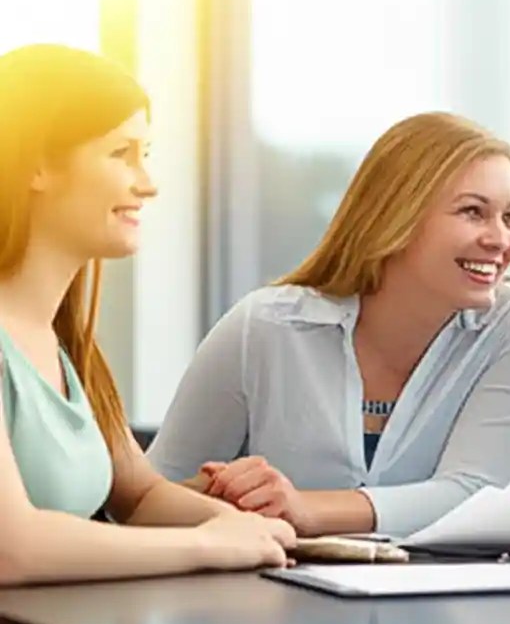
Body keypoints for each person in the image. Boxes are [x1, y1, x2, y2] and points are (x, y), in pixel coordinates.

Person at [146, 112, 510, 538]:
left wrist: (305, 507)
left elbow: (475, 494)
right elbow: (149, 498)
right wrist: (225, 494)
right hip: (269, 598)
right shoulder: (263, 328)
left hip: (442, 599)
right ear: (396, 216)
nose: (500, 240)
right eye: (473, 212)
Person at [0, 44, 295, 587]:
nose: (148, 182)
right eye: (120, 153)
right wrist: (208, 543)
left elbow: (140, 495)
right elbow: (11, 548)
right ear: (36, 163)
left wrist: (239, 525)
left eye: (147, 153)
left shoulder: (65, 343)